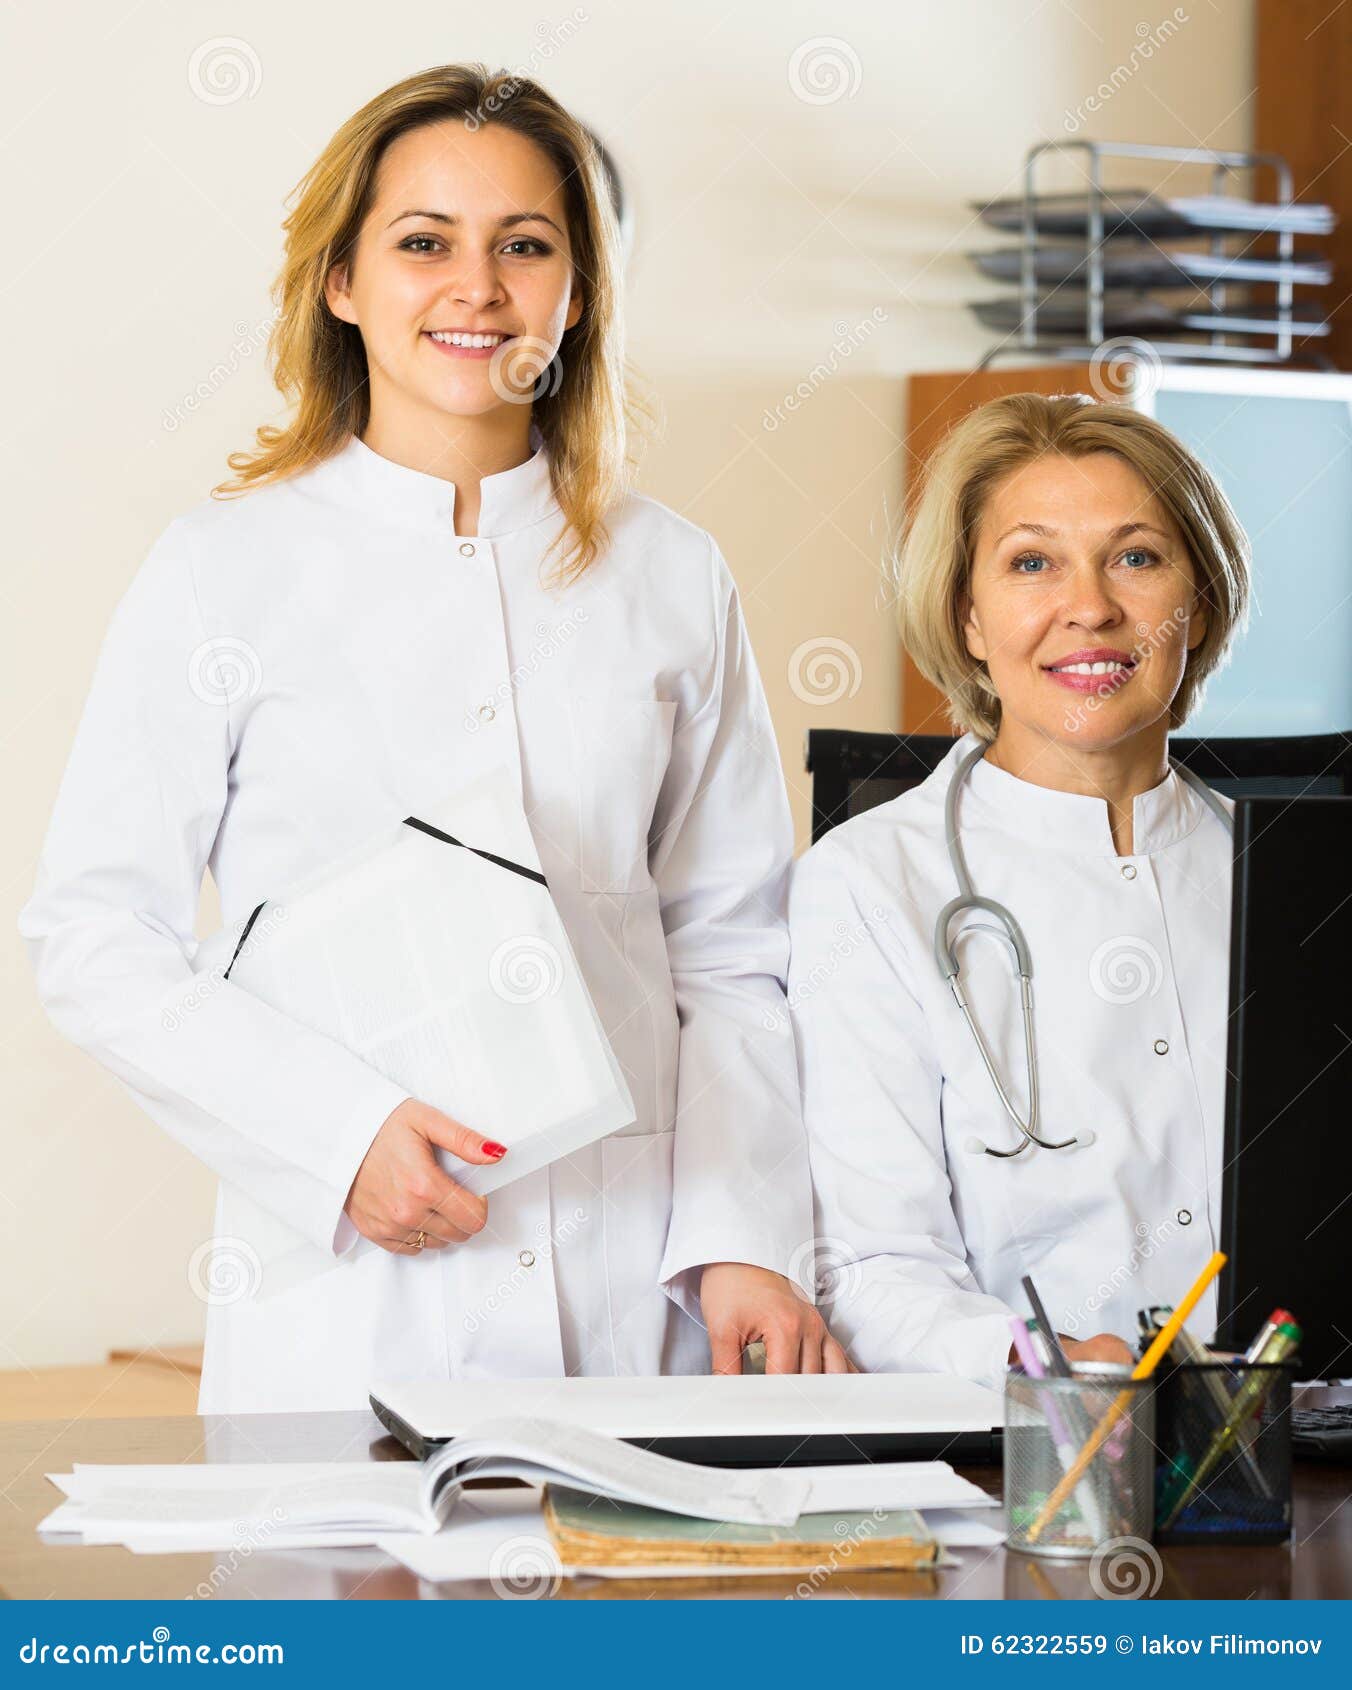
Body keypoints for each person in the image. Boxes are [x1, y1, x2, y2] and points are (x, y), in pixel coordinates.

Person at [19, 62, 845, 1414]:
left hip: (629, 1281)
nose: (479, 289)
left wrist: (742, 1242)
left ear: (579, 290)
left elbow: (734, 950)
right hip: (349, 1304)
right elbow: (99, 935)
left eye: (526, 245)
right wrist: (335, 1138)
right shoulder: (224, 568)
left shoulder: (670, 575)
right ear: (342, 280)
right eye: (424, 244)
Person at [787, 392, 1250, 1388]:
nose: (1087, 606)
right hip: (1033, 1459)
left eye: (1134, 556)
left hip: (1302, 1442)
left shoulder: (1292, 879)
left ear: (1195, 600)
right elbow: (872, 1268)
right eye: (1030, 562)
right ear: (967, 613)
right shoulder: (868, 886)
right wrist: (1043, 1361)